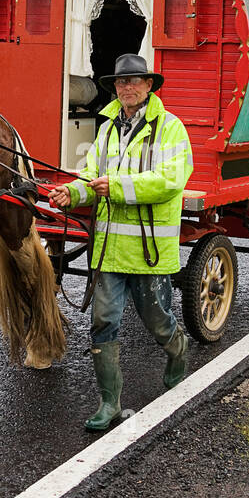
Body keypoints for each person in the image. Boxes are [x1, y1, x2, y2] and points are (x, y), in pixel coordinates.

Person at [49, 53, 193, 431]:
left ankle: (178, 351)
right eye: (120, 82)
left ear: (149, 86)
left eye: (135, 81)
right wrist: (73, 193)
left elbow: (170, 180)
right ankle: (109, 403)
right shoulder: (108, 128)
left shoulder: (171, 128)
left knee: (159, 323)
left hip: (148, 252)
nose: (127, 88)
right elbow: (92, 175)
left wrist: (116, 187)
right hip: (110, 249)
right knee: (103, 323)